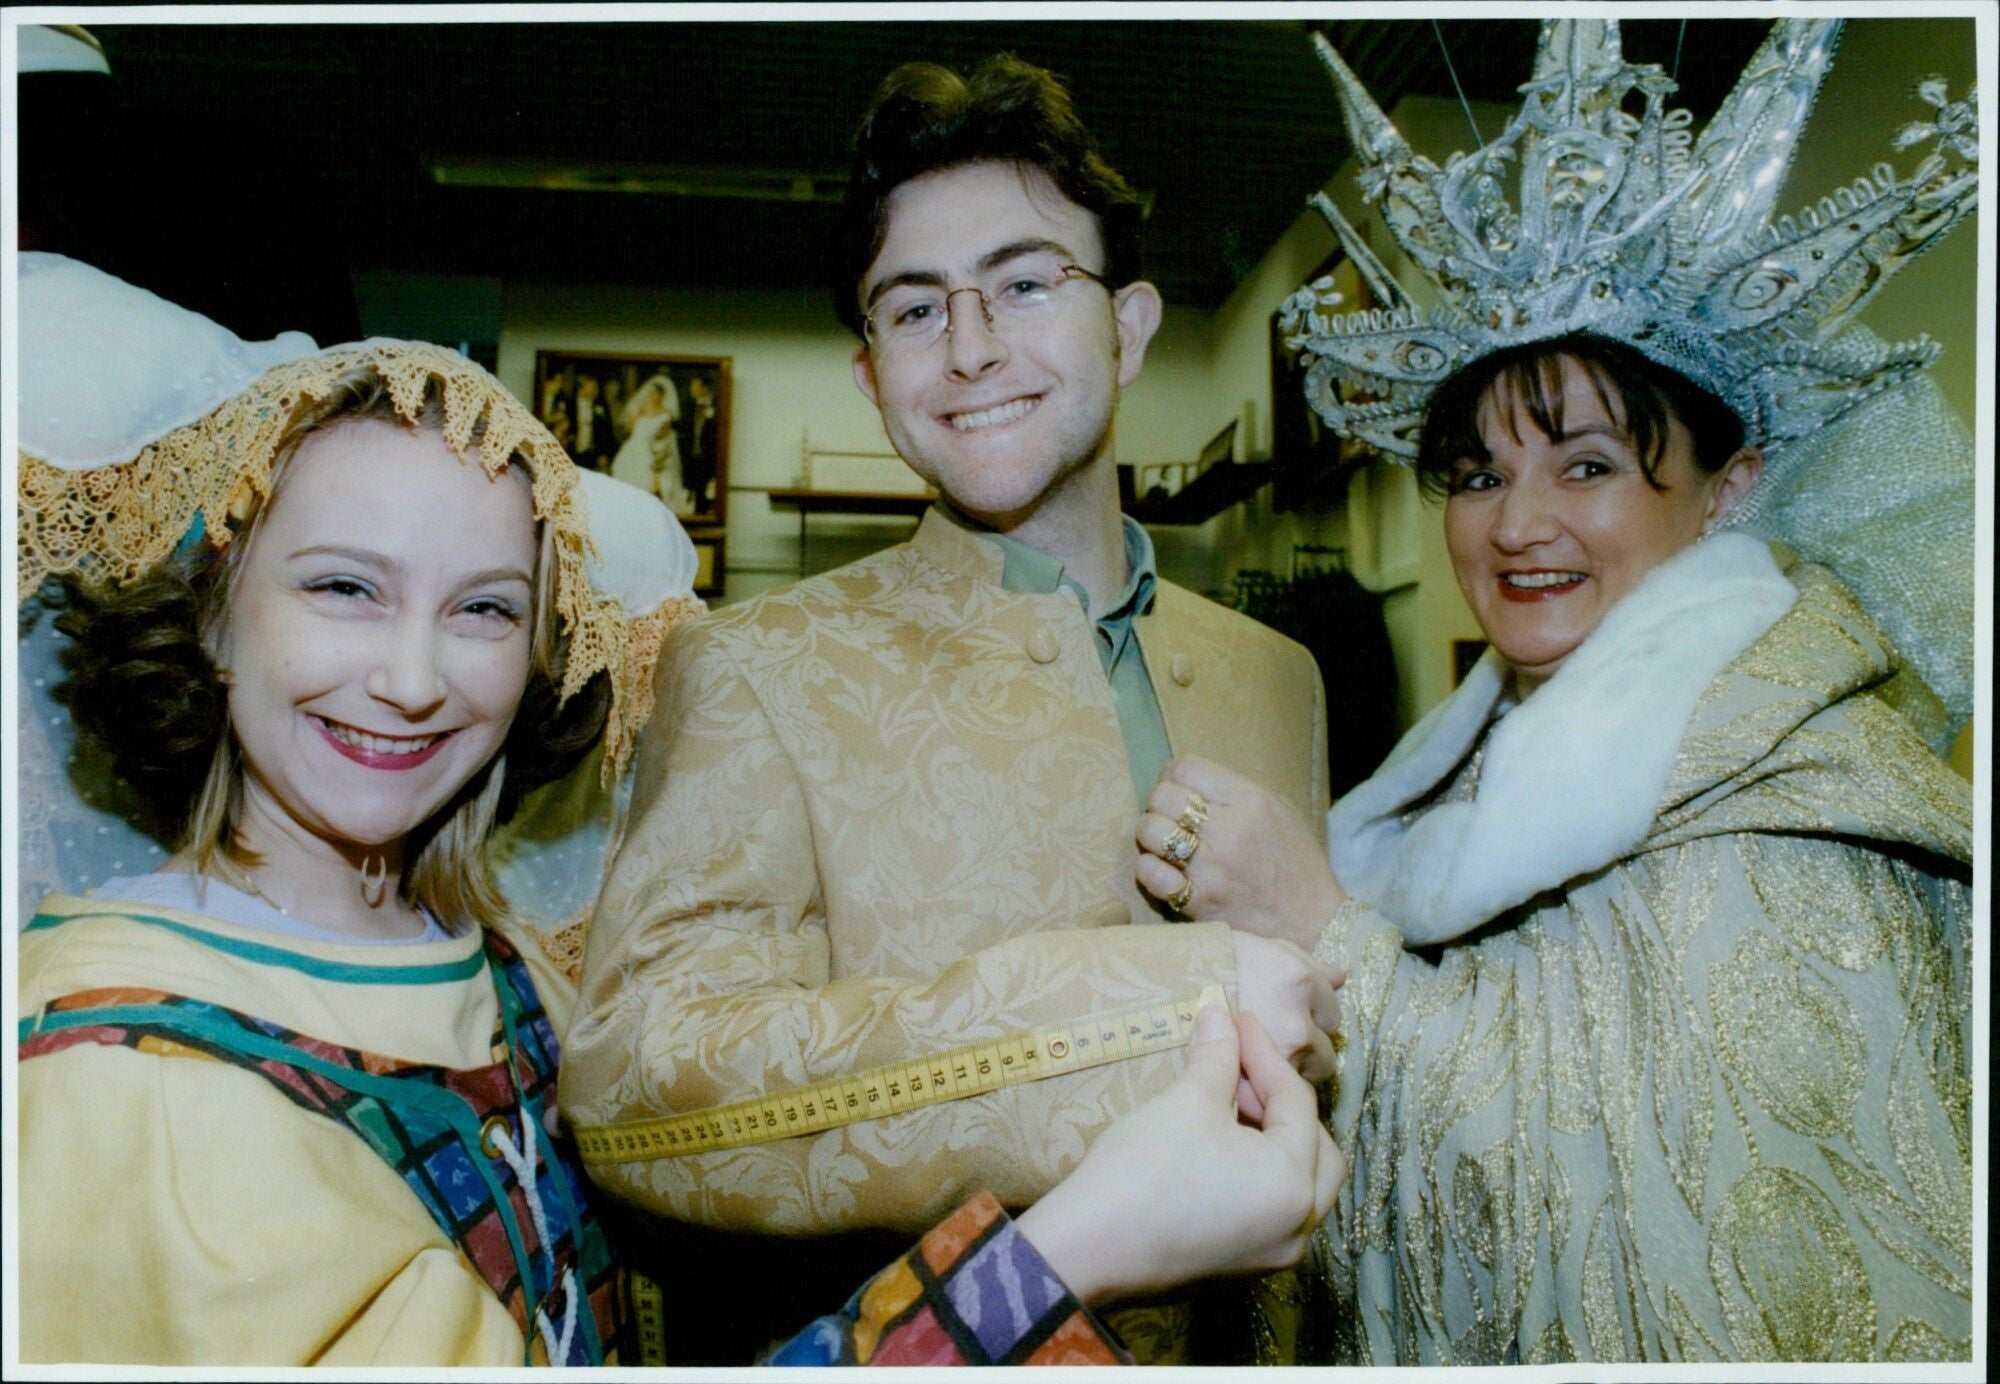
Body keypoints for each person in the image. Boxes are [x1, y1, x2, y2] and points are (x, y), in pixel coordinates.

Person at [12, 255, 1345, 1368]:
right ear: (213, 614)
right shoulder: (134, 1095)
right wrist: (1071, 1254)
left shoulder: (508, 964)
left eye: (484, 608)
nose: (413, 679)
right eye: (344, 588)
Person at [1135, 20, 1975, 1364]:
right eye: (1478, 475)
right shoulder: (1473, 754)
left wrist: (1319, 924)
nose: (1516, 526)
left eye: (1587, 465)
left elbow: (1685, 1242)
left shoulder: (1794, 814)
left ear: (1729, 487)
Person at [561, 54, 1341, 1364]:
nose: (972, 348)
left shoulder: (1277, 674)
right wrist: (1138, 1016)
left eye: (1026, 283)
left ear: (1128, 327)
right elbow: (637, 1090)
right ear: (873, 376)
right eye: (916, 309)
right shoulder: (756, 665)